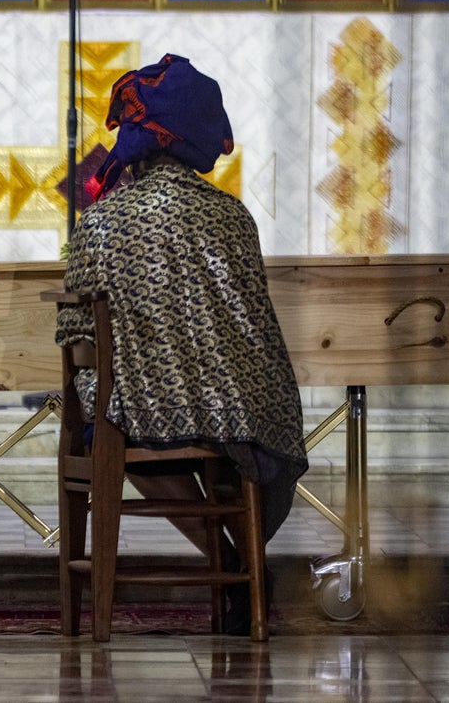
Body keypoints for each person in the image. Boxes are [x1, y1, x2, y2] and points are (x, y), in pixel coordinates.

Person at [55, 53, 308, 634]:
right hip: (233, 413)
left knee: (112, 425)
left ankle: (234, 562)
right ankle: (245, 565)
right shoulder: (233, 218)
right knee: (232, 443)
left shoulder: (100, 223)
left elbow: (76, 335)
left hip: (141, 412)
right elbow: (255, 328)